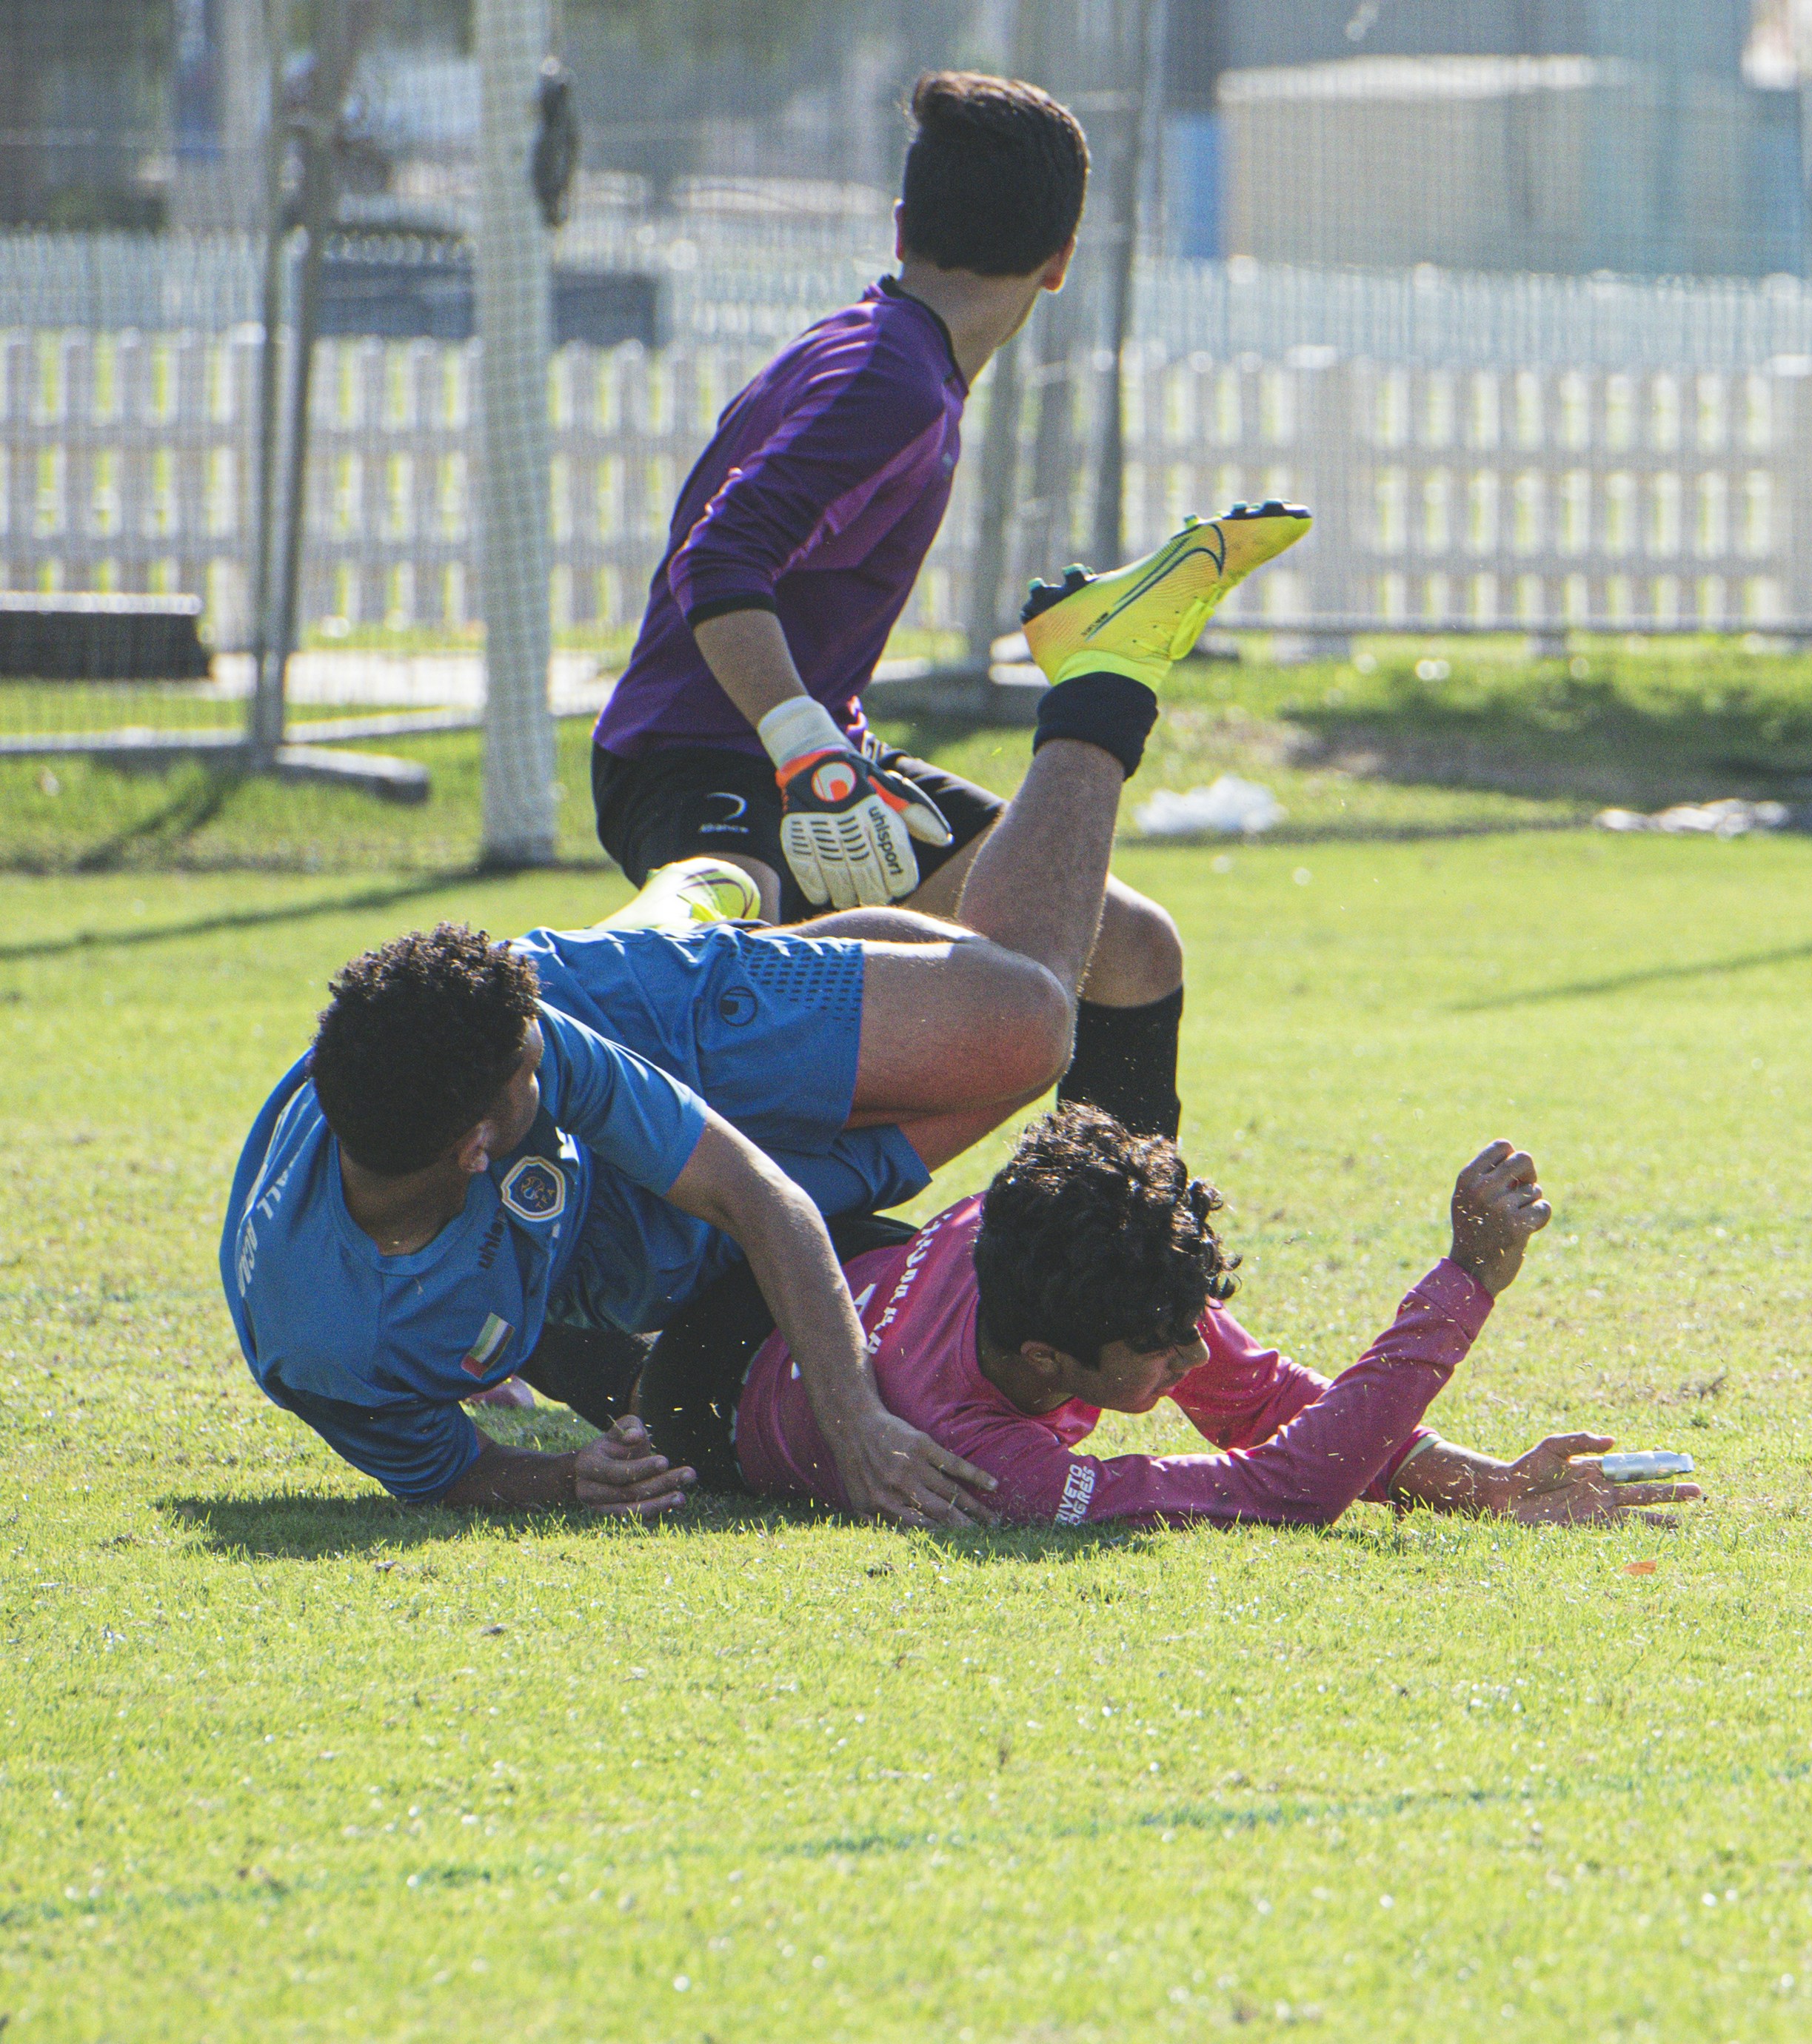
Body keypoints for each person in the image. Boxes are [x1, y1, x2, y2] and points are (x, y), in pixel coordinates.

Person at [221, 498, 1291, 1527]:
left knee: (1024, 1024)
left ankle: (1102, 673)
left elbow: (752, 1191)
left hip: (653, 1015)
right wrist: (560, 1481)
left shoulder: (537, 1038)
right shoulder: (325, 1338)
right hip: (614, 1233)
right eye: (524, 1073)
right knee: (1065, 995)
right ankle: (713, 913)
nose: (533, 1052)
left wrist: (855, 1419)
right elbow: (448, 1469)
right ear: (473, 1147)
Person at [587, 70, 1288, 1145]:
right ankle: (638, 1265)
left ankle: (1121, 1273)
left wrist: (827, 751)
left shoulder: (884, 351)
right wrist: (802, 745)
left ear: (905, 223)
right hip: (694, 763)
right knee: (728, 994)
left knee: (1128, 949)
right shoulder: (890, 381)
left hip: (819, 762)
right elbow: (720, 558)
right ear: (1060, 265)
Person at [639, 1109, 1705, 1532]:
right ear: (1048, 1360)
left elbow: (1264, 1404)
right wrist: (1463, 1285)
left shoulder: (1048, 1238)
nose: (1197, 1358)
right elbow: (1280, 1488)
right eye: (1164, 1350)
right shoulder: (973, 1455)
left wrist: (1486, 1487)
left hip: (837, 1253)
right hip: (703, 1393)